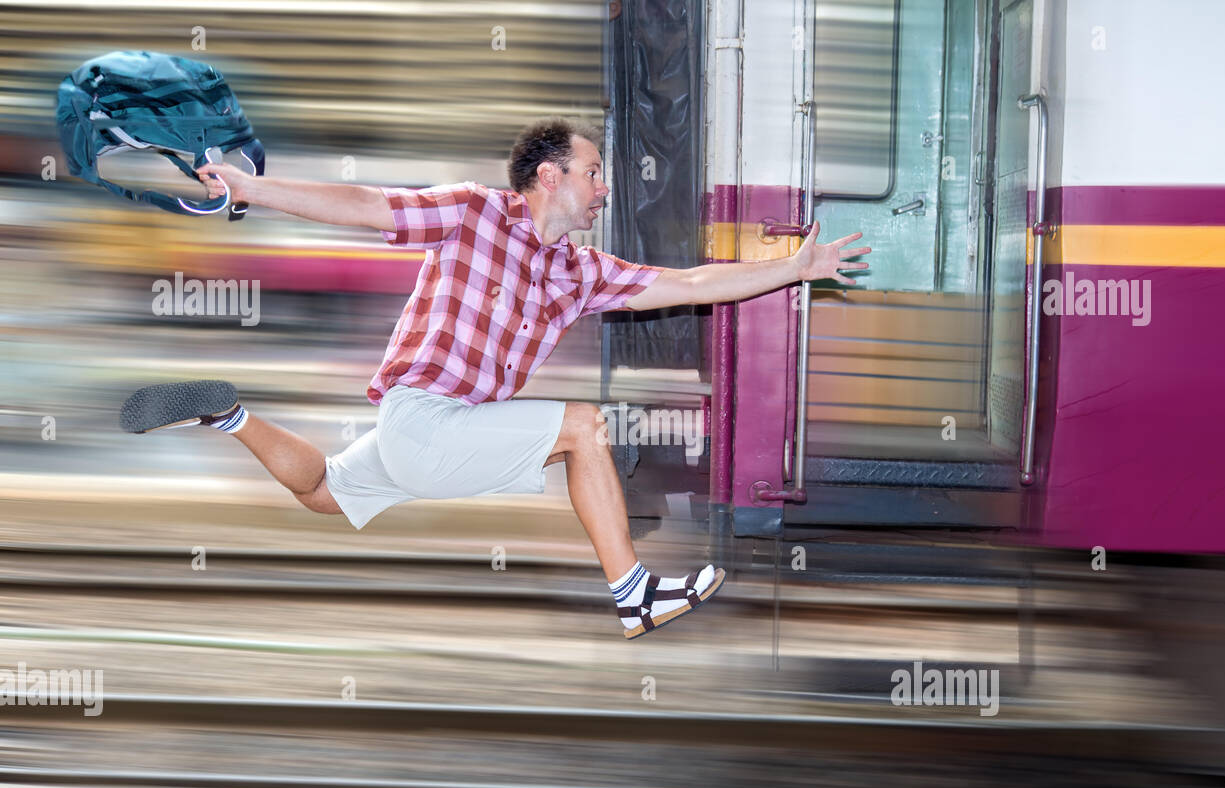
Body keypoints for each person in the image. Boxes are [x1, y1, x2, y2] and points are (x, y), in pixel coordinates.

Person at [119, 116, 869, 639]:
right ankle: (634, 594)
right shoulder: (474, 211)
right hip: (423, 420)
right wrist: (254, 189)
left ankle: (228, 417)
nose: (604, 187)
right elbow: (367, 205)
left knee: (321, 493)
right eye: (594, 172)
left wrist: (792, 270)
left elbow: (689, 283)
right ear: (550, 176)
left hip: (439, 430)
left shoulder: (580, 272)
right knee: (582, 427)